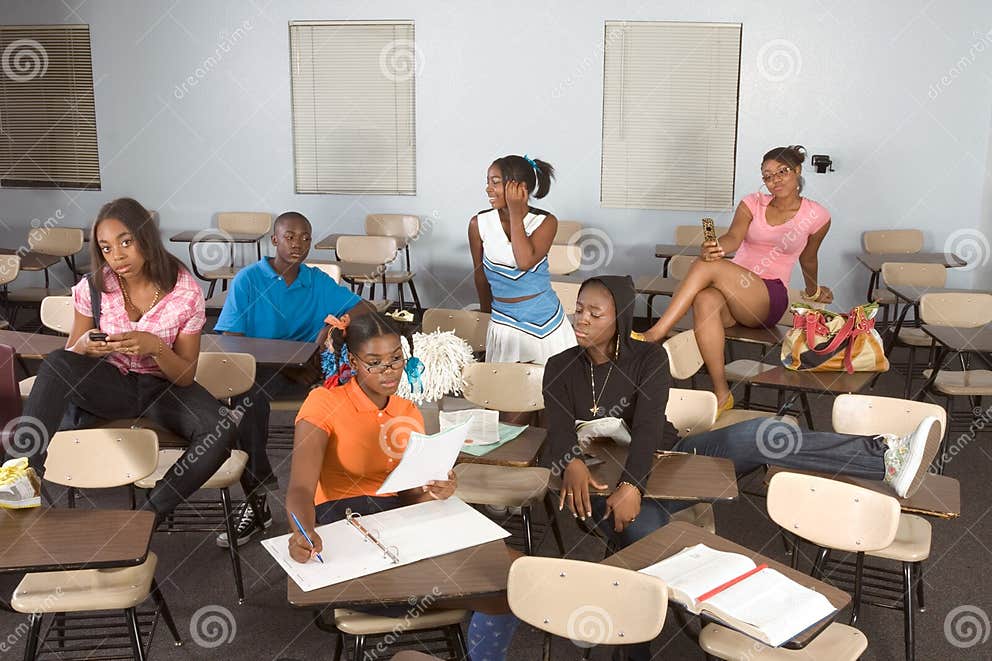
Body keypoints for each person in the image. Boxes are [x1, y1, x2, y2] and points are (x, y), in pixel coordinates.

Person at [284, 312, 520, 661]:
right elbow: (300, 488)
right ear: (352, 362)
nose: (389, 370)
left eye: (396, 358)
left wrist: (436, 489)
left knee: (515, 579)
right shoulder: (324, 403)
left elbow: (411, 492)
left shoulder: (407, 410)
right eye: (375, 363)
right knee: (481, 588)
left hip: (400, 523)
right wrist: (301, 531)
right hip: (341, 525)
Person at [14, 197, 232, 518]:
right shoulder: (94, 287)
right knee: (58, 361)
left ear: (146, 238)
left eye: (125, 242)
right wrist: (84, 346)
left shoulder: (185, 292)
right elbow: (70, 358)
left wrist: (155, 347)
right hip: (110, 385)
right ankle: (22, 475)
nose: (117, 256)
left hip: (163, 388)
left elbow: (185, 375)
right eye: (106, 248)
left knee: (221, 429)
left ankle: (148, 515)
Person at [213, 211, 373, 548]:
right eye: (290, 236)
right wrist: (288, 363)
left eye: (305, 237)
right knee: (245, 402)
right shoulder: (248, 280)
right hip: (259, 372)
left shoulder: (315, 280)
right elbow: (231, 342)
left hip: (309, 370)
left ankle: (340, 499)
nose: (298, 243)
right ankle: (257, 499)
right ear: (274, 240)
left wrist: (334, 326)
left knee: (349, 394)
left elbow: (363, 310)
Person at [642, 146, 833, 413]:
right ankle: (721, 394)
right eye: (767, 176)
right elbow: (733, 238)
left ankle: (656, 333)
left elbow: (808, 258)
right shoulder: (752, 203)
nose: (775, 180)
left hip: (768, 297)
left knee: (708, 266)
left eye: (782, 172)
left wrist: (813, 292)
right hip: (734, 295)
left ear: (797, 171)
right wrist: (718, 247)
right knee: (706, 296)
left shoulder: (817, 216)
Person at [469, 154, 576, 365]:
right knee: (504, 393)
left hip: (547, 323)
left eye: (496, 182)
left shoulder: (546, 222)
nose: (488, 188)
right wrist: (486, 318)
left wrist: (516, 213)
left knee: (551, 392)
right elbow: (480, 275)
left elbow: (525, 261)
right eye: (488, 182)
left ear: (520, 187)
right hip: (503, 323)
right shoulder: (478, 223)